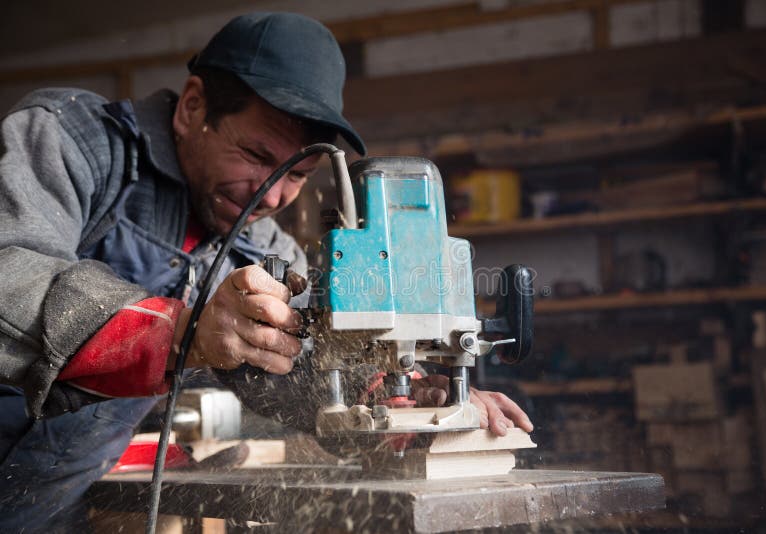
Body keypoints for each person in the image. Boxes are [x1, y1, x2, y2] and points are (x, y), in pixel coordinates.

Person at [0, 12, 533, 531]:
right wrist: (184, 333)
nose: (273, 194)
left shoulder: (267, 248)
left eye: (297, 175)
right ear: (192, 108)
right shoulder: (74, 141)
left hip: (60, 490)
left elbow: (301, 370)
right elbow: (9, 272)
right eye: (257, 156)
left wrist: (396, 400)